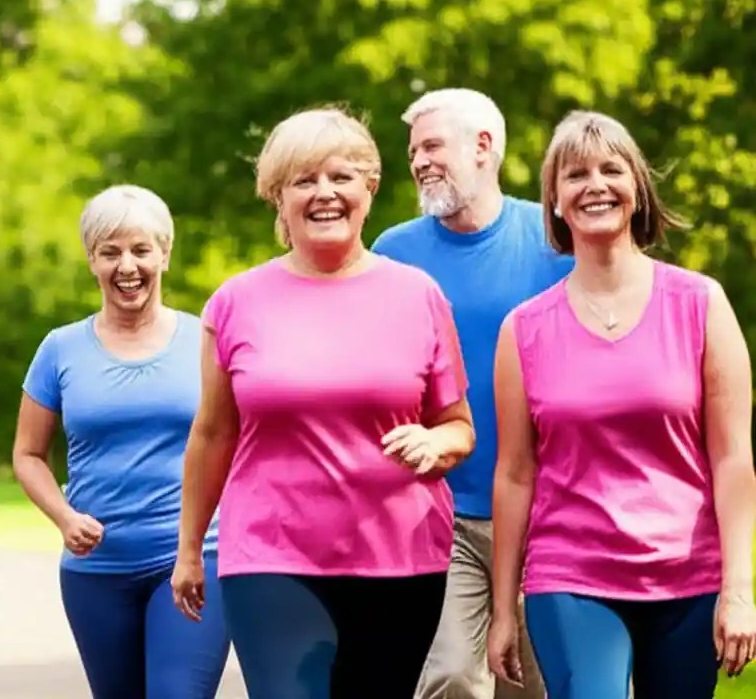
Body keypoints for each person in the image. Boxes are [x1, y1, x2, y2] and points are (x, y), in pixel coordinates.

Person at [170, 106, 475, 699]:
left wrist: (436, 442)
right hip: (270, 555)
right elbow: (211, 435)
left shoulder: (418, 296)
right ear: (277, 199)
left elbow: (458, 426)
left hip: (400, 558)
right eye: (303, 181)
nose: (324, 194)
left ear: (369, 186)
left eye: (340, 177)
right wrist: (188, 550)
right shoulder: (237, 302)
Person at [486, 110, 756, 698]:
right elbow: (514, 473)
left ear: (637, 190)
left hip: (687, 574)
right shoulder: (524, 330)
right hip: (571, 572)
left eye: (612, 169)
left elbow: (733, 459)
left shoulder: (700, 304)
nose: (595, 185)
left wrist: (739, 588)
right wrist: (503, 608)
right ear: (553, 200)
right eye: (576, 174)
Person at [371, 88, 569, 699]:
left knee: (538, 685)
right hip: (440, 513)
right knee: (452, 674)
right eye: (412, 152)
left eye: (432, 145)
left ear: (484, 146)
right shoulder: (392, 255)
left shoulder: (552, 241)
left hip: (547, 511)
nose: (419, 162)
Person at [12, 185, 232, 699]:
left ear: (165, 254)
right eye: (110, 252)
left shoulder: (205, 341)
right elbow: (26, 454)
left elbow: (233, 443)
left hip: (193, 560)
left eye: (140, 250)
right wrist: (64, 517)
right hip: (97, 571)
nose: (126, 266)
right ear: (92, 260)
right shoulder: (60, 349)